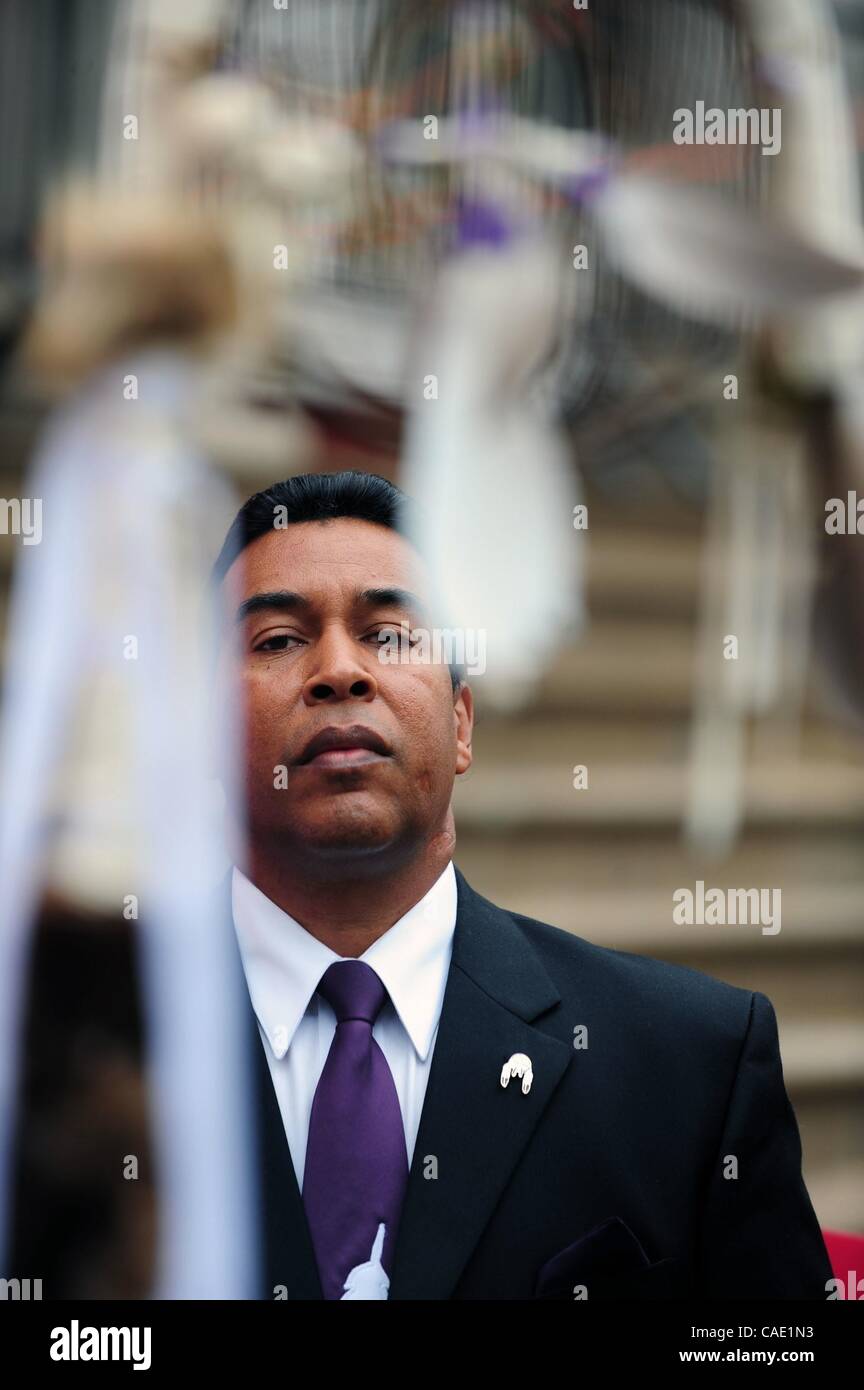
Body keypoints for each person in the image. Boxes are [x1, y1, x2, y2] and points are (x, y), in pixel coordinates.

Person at [210, 470, 833, 1301]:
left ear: (461, 722)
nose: (338, 671)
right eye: (280, 639)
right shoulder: (64, 1052)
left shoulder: (691, 1064)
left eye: (390, 634)